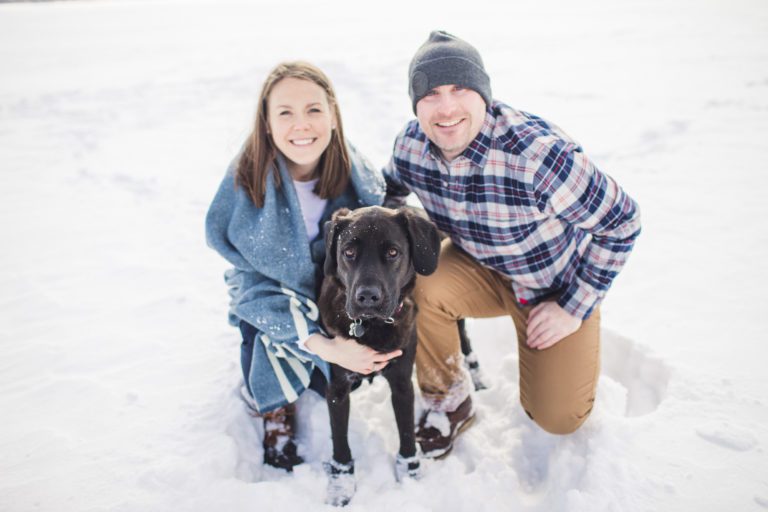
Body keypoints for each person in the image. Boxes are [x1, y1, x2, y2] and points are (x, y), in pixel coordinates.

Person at [383, 31, 642, 458]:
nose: (446, 107)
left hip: (554, 285)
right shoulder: (411, 146)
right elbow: (387, 195)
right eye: (430, 94)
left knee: (558, 418)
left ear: (484, 94)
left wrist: (572, 307)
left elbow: (622, 222)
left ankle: (573, 333)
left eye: (459, 89)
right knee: (418, 283)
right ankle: (448, 401)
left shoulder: (539, 157)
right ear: (415, 104)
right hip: (477, 265)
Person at [206, 62, 402, 472]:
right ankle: (276, 406)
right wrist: (325, 345)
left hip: (333, 293)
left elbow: (387, 228)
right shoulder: (249, 179)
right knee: (271, 341)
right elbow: (249, 283)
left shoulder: (352, 170)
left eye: (314, 110)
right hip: (275, 298)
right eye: (285, 113)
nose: (302, 125)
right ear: (266, 122)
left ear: (333, 114)